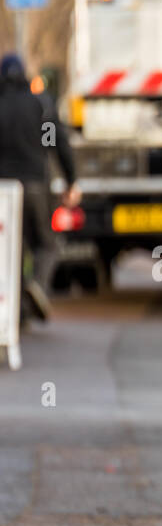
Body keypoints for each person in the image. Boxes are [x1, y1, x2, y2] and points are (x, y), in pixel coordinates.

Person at [0, 52, 80, 323]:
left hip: (3, 191)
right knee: (47, 244)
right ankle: (37, 286)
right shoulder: (40, 106)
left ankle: (19, 308)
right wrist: (70, 180)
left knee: (12, 249)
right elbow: (54, 143)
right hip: (35, 184)